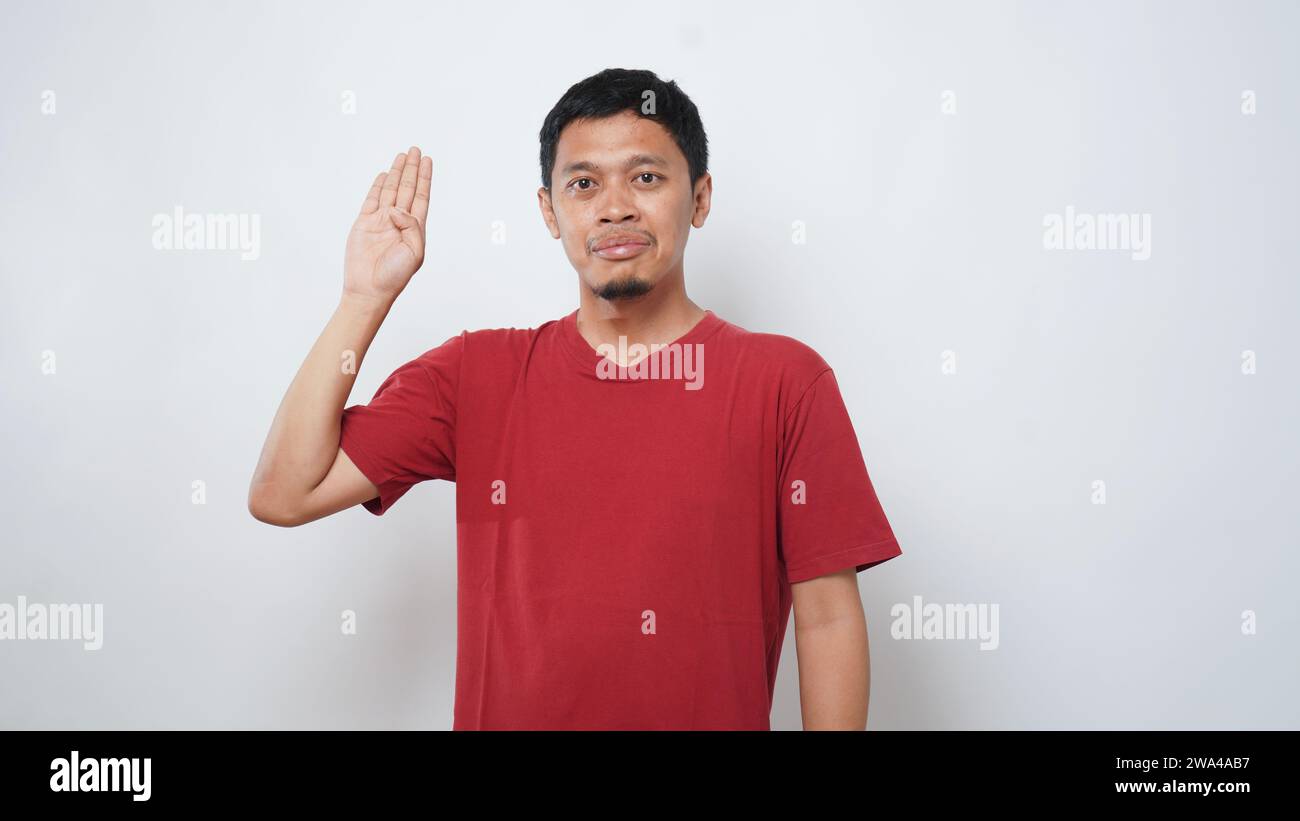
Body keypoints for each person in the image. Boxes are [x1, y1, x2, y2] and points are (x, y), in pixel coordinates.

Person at [247, 68, 903, 730]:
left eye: (646, 177)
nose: (614, 206)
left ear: (700, 198)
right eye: (583, 183)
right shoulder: (475, 374)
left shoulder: (786, 382)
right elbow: (284, 493)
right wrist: (364, 299)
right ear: (548, 210)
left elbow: (826, 617)